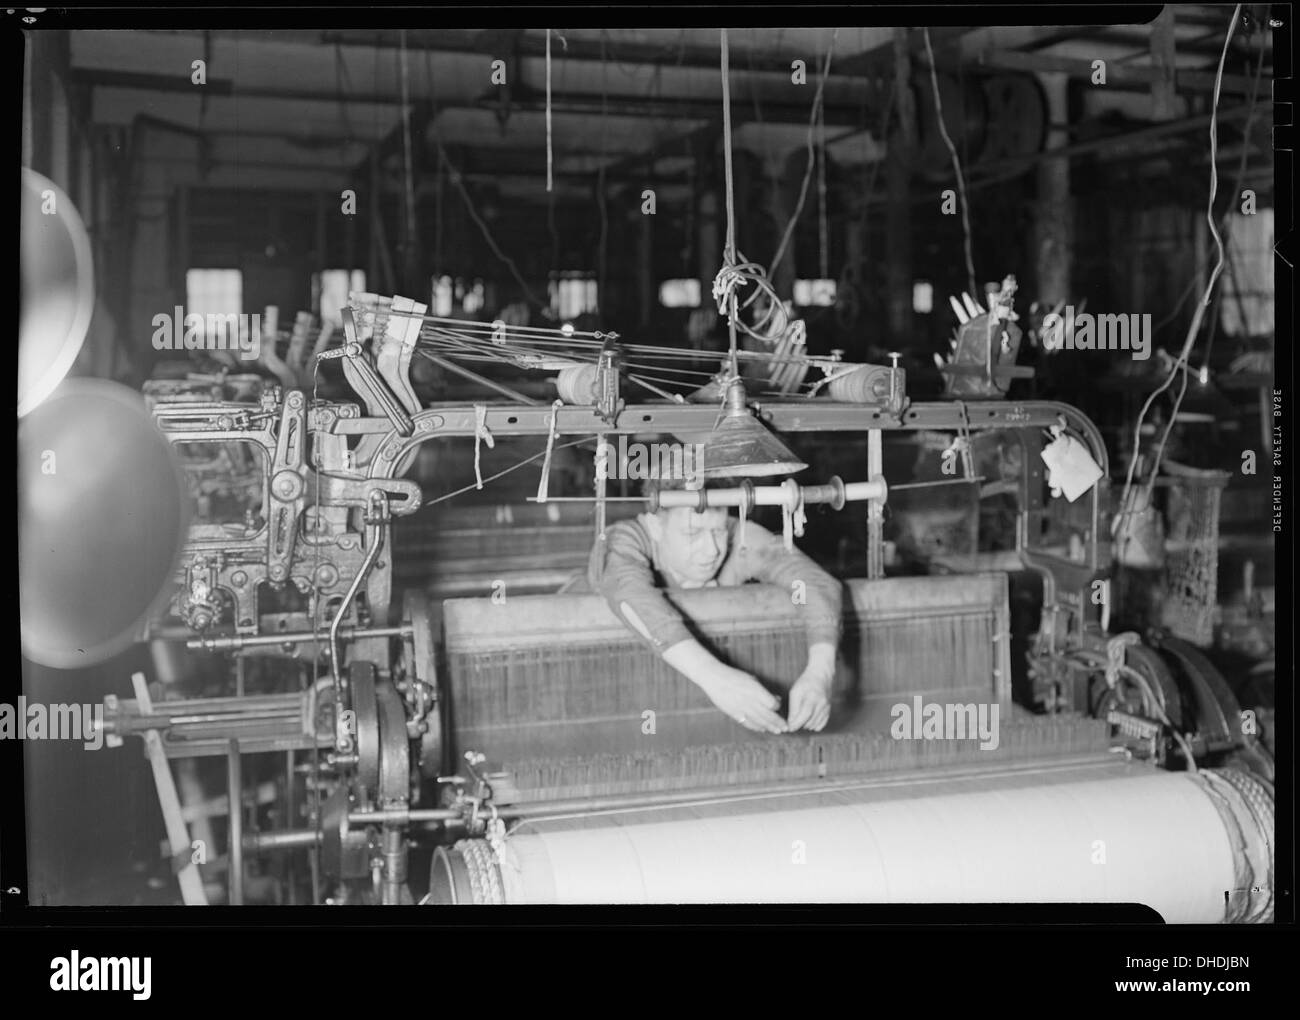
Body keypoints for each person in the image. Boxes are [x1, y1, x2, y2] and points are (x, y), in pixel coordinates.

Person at [588, 472, 843, 734]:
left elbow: (812, 582)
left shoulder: (738, 536)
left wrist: (819, 673)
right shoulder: (625, 539)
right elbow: (628, 590)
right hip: (615, 695)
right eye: (692, 532)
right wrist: (715, 678)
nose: (711, 550)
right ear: (655, 526)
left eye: (718, 531)